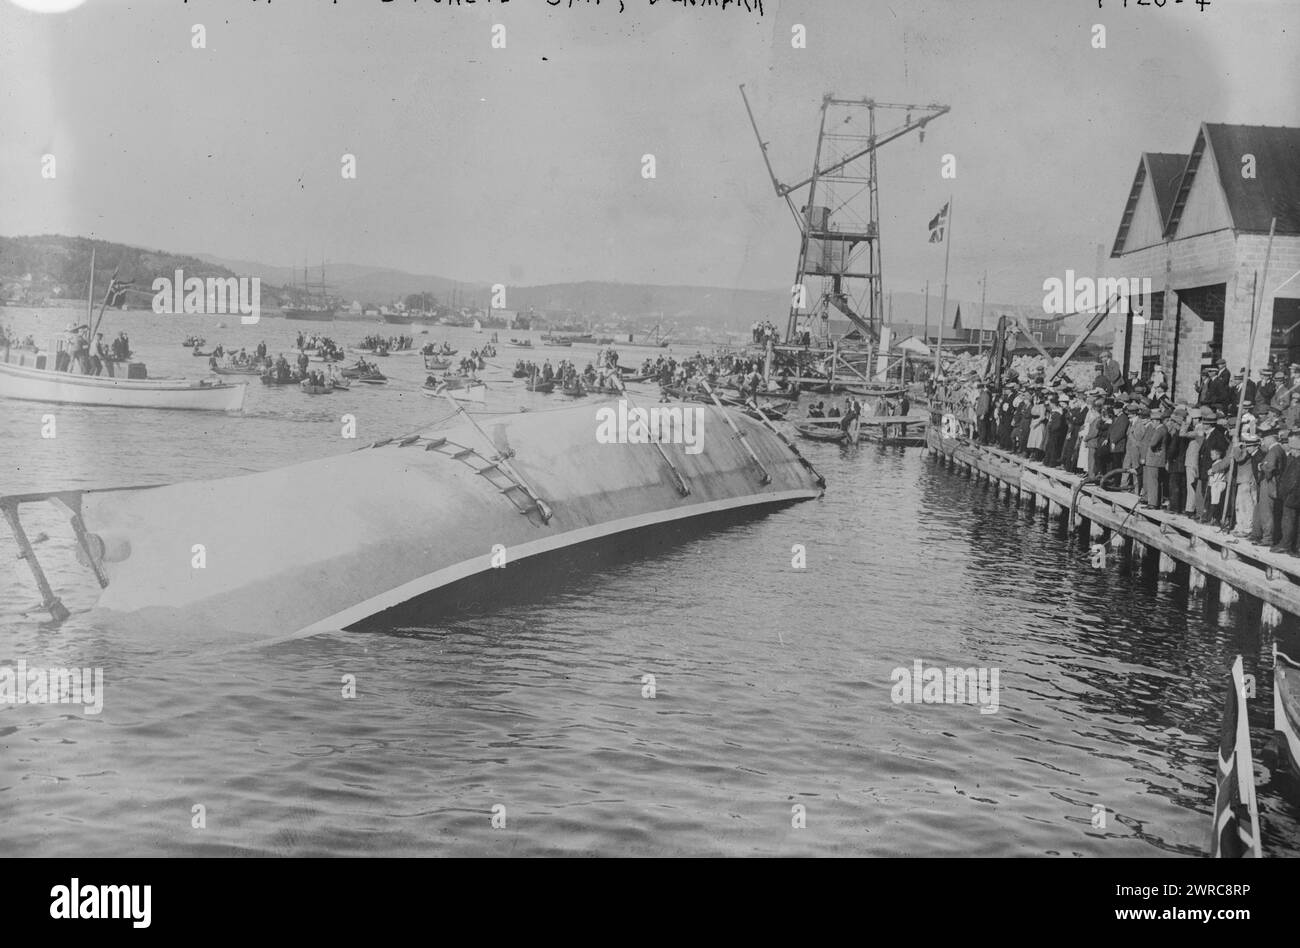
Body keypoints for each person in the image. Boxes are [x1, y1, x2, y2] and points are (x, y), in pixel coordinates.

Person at [1274, 431, 1300, 555]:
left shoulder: (1297, 461)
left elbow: (1292, 480)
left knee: (1288, 521)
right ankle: (1296, 547)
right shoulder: (1295, 459)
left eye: (1294, 449)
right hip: (1295, 496)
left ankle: (1286, 544)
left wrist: (1284, 493)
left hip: (1292, 497)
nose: (1292, 451)